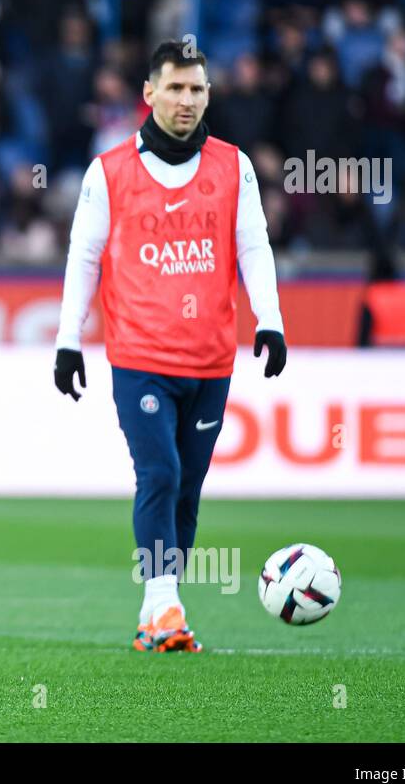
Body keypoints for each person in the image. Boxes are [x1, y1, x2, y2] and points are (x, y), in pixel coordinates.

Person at [53, 40, 286, 653]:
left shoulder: (232, 166)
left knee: (188, 486)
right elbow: (83, 256)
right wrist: (67, 339)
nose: (187, 100)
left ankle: (159, 608)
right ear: (149, 93)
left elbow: (253, 248)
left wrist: (271, 319)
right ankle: (164, 607)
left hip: (211, 357)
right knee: (159, 471)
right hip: (139, 358)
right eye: (176, 88)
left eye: (198, 89)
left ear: (209, 94)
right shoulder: (108, 172)